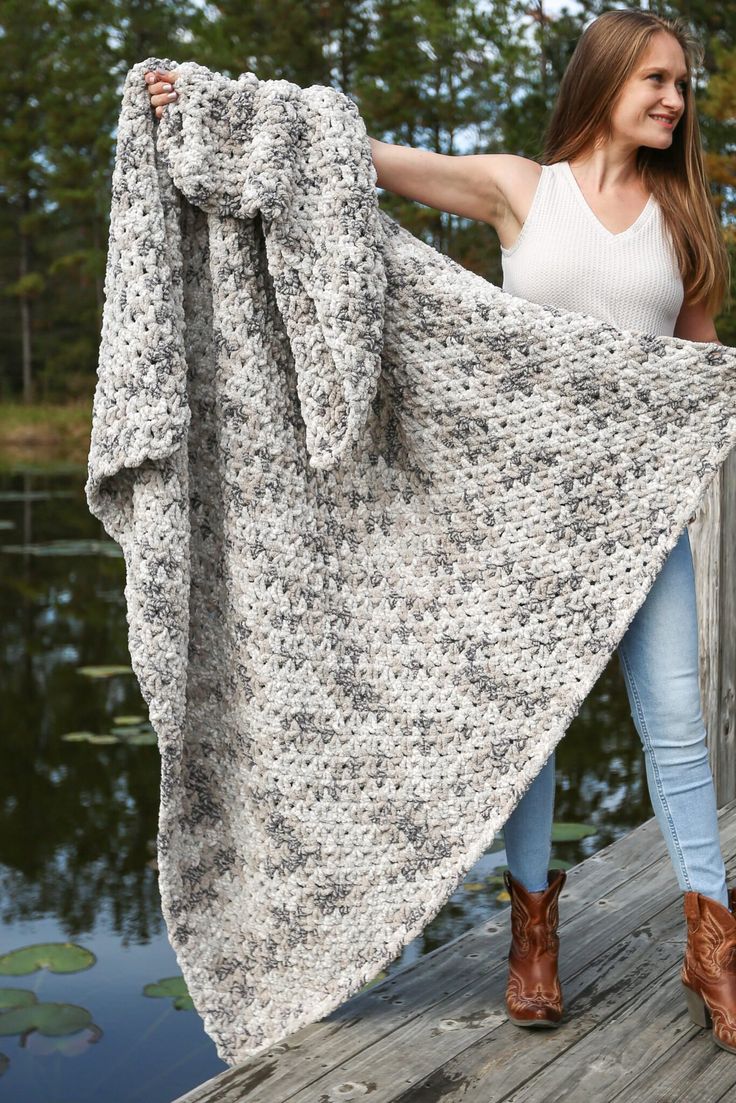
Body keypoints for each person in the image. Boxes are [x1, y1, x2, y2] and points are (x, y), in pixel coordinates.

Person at [143, 8, 735, 1052]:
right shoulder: (519, 188)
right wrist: (213, 108)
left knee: (679, 732)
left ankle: (712, 946)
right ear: (603, 81)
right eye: (656, 80)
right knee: (526, 731)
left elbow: (684, 384)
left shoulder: (684, 217)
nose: (674, 102)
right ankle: (532, 939)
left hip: (642, 529)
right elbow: (346, 159)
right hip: (516, 531)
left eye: (681, 85)